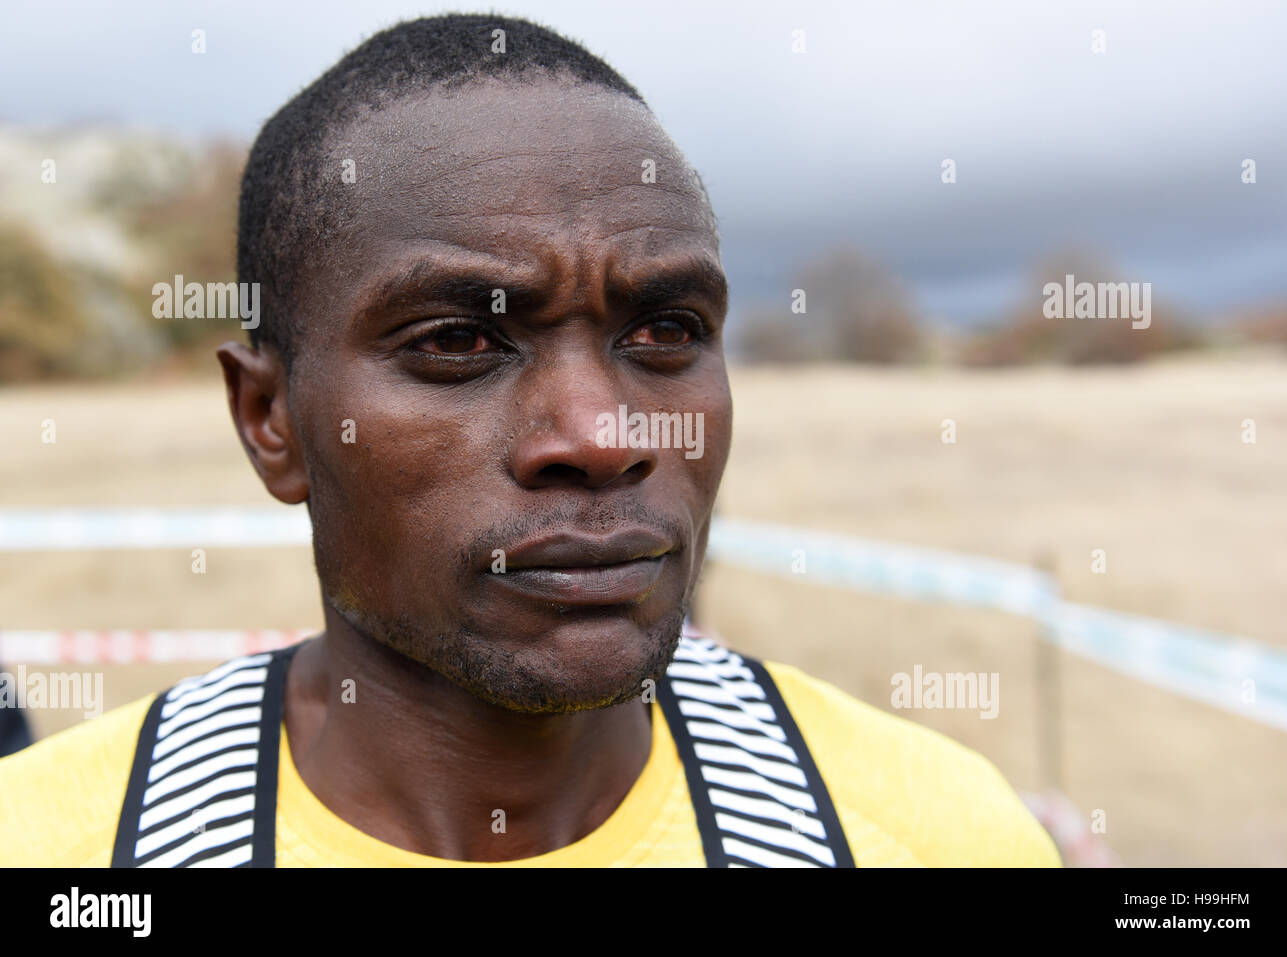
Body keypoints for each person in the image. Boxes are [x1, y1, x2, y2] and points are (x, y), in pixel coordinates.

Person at [0, 13, 1059, 868]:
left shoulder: (934, 836)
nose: (603, 435)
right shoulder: (57, 846)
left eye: (664, 332)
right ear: (269, 421)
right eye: (459, 341)